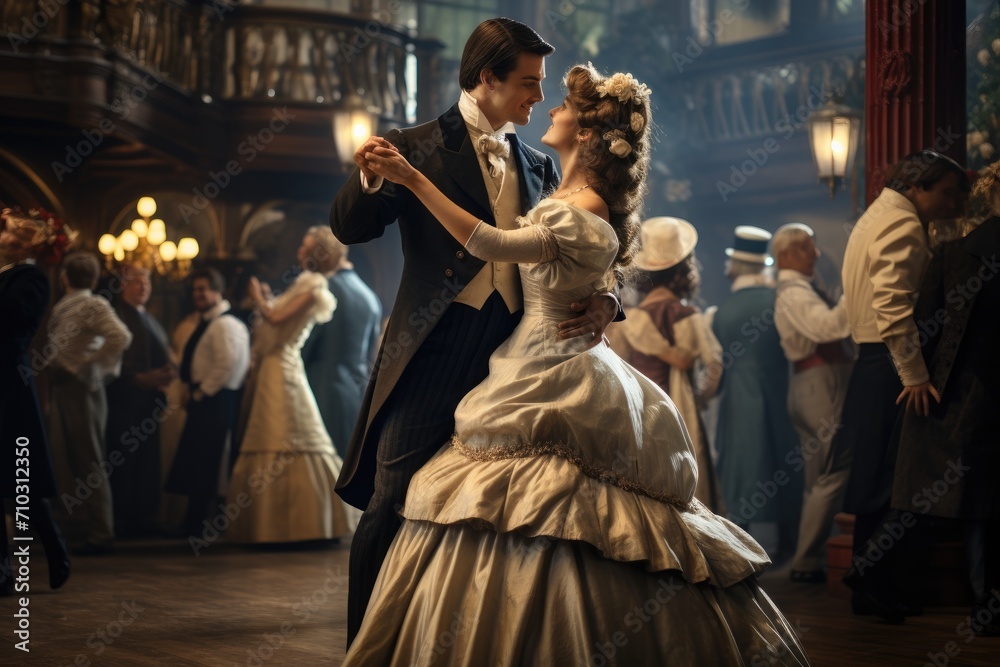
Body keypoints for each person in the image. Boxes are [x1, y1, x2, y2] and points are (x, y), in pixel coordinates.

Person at [344, 64, 808, 666]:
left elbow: (494, 245)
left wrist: (412, 179)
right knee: (398, 499)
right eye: (533, 86)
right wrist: (608, 296)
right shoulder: (552, 185)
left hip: (542, 362)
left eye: (559, 103)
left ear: (590, 136)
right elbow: (592, 261)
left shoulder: (561, 193)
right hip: (480, 356)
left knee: (557, 500)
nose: (547, 107)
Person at [330, 18, 622, 643]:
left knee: (493, 508)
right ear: (486, 77)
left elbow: (579, 256)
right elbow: (351, 230)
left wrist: (607, 303)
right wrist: (370, 176)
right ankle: (363, 645)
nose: (537, 97)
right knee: (391, 497)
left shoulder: (540, 162)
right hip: (434, 349)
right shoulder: (413, 145)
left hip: (516, 357)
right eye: (527, 82)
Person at [838, 150, 970, 622]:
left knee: (879, 479)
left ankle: (869, 585)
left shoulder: (877, 215)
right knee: (894, 481)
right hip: (889, 363)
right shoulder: (903, 224)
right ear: (917, 186)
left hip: (874, 361)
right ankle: (874, 584)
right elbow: (893, 306)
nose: (952, 203)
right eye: (946, 192)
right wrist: (914, 375)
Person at [890, 161, 998, 636]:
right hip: (969, 398)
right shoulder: (953, 253)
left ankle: (986, 605)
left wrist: (920, 378)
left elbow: (925, 323)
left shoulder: (954, 254)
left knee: (980, 505)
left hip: (965, 396)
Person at [224, 228, 359, 543]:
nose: (299, 250)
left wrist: (259, 298)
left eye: (305, 246)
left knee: (288, 435)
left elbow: (275, 318)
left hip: (284, 366)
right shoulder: (304, 282)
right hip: (273, 366)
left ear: (318, 254)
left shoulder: (314, 285)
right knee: (269, 433)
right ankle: (272, 524)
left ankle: (300, 525)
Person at [620, 216, 725, 511]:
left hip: (642, 410)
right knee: (689, 480)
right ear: (684, 269)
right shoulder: (687, 315)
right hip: (683, 409)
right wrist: (702, 395)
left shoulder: (632, 318)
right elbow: (715, 363)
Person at [712, 226, 801, 555]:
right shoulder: (777, 299)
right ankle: (791, 542)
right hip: (778, 389)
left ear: (736, 265)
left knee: (742, 462)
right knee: (783, 457)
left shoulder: (722, 312)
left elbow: (716, 361)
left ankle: (738, 541)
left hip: (737, 395)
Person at [771, 224, 853, 584]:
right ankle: (807, 560)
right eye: (807, 247)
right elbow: (829, 328)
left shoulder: (796, 290)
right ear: (786, 254)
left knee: (818, 476)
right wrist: (856, 292)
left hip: (809, 384)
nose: (816, 253)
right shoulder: (795, 292)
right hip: (820, 384)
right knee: (832, 473)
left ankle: (808, 559)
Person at [0, 207, 74, 595]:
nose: (5, 237)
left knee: (18, 479)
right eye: (6, 231)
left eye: (15, 234)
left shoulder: (31, 278)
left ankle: (55, 547)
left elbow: (12, 322)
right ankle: (3, 572)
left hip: (8, 385)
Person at [47, 251, 132, 554]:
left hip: (82, 388)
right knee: (65, 458)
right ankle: (78, 526)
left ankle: (101, 532)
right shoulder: (69, 304)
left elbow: (121, 337)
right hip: (64, 388)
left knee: (90, 460)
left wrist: (84, 367)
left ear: (65, 276)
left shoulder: (94, 304)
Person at [164, 268, 250, 536]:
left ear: (218, 291)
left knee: (209, 462)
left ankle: (203, 524)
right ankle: (194, 521)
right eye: (195, 289)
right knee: (199, 462)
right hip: (208, 399)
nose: (198, 294)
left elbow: (226, 366)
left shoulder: (225, 324)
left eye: (204, 289)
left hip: (215, 399)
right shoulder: (210, 321)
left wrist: (200, 393)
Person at [105, 264, 175, 537]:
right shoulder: (117, 316)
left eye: (146, 282)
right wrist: (137, 378)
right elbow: (113, 358)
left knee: (147, 461)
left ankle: (143, 517)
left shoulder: (149, 316)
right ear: (122, 286)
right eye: (136, 281)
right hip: (125, 401)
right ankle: (123, 518)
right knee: (124, 459)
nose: (143, 286)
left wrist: (166, 372)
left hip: (149, 403)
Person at [300, 230, 381, 457]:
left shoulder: (321, 291)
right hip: (356, 393)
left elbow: (304, 343)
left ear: (322, 254)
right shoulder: (370, 296)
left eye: (305, 250)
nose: (299, 257)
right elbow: (372, 355)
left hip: (318, 388)